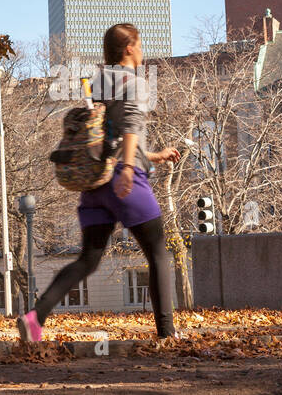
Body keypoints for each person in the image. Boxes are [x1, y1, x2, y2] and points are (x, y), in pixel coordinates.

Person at [18, 23, 182, 342]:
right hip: (125, 179)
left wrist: (154, 156)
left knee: (88, 259)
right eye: (140, 44)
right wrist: (129, 169)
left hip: (95, 182)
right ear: (129, 48)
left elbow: (106, 136)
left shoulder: (97, 81)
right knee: (159, 253)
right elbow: (130, 129)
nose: (143, 50)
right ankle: (167, 334)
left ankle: (36, 317)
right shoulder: (134, 82)